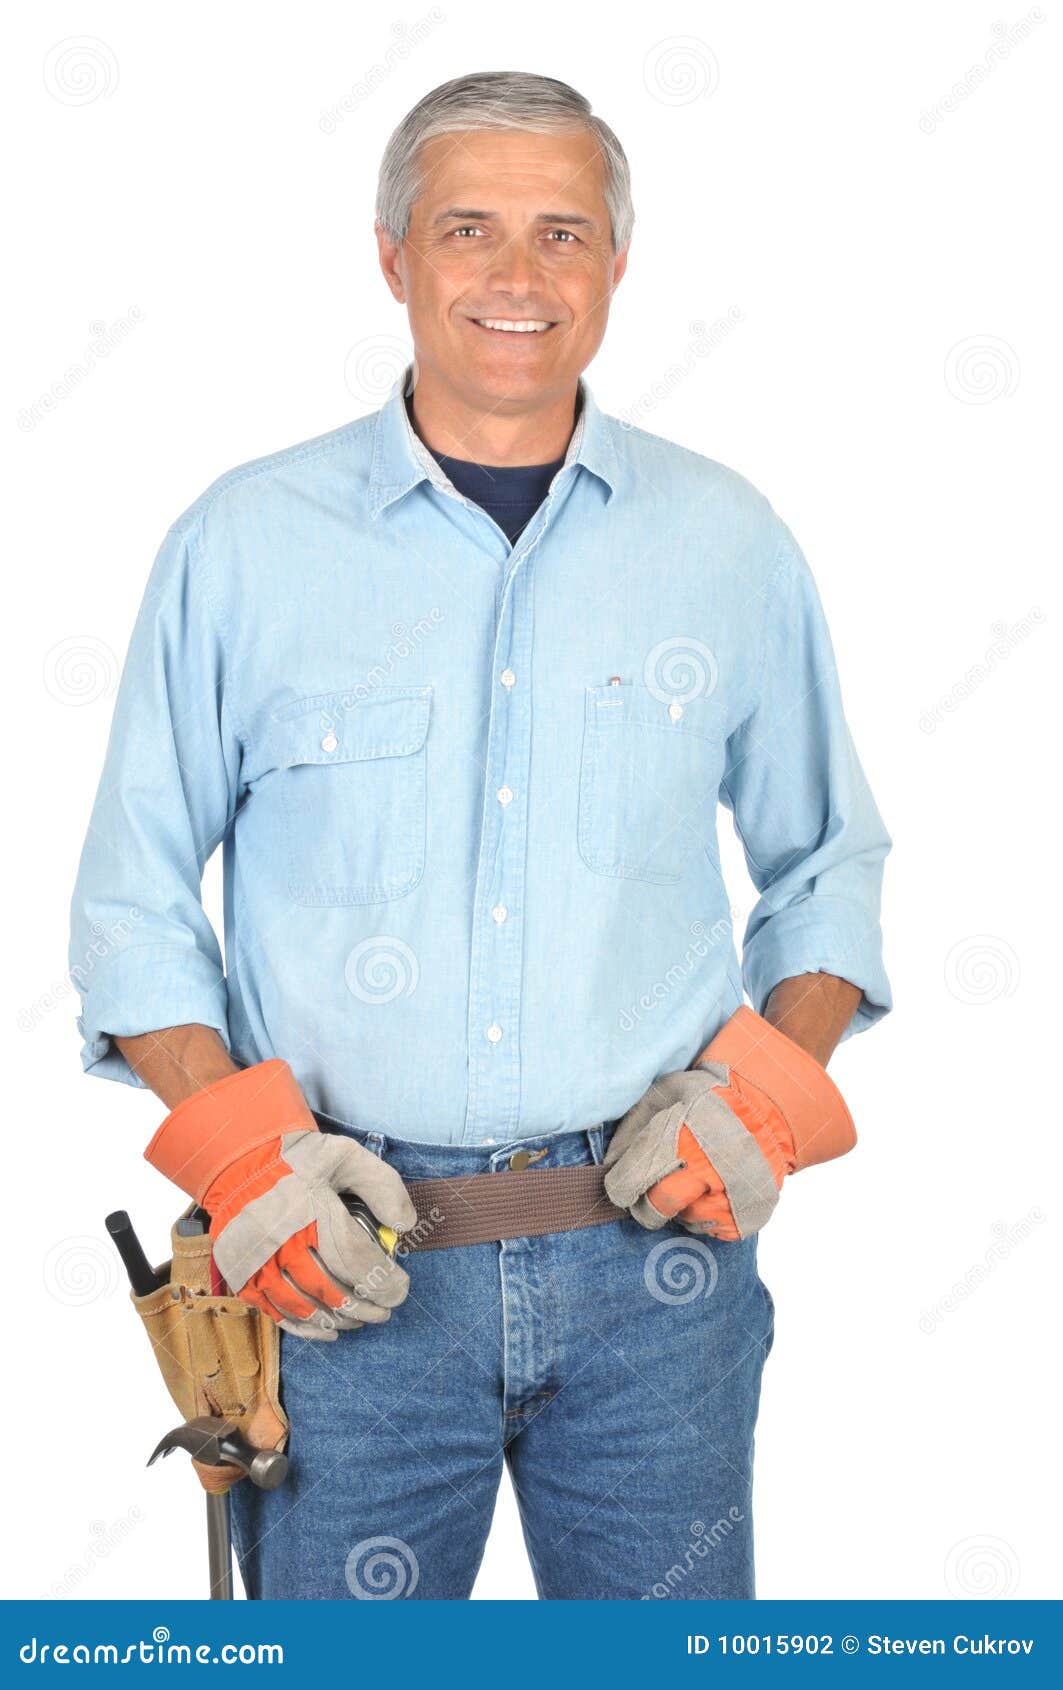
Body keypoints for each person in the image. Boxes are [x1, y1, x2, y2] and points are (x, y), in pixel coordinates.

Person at [69, 70, 891, 1600]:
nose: (519, 277)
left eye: (563, 233)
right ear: (393, 256)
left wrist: (763, 1102)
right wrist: (249, 1165)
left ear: (617, 265)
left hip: (659, 1277)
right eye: (470, 229)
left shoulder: (727, 541)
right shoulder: (243, 545)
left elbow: (829, 864)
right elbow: (128, 907)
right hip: (337, 1281)